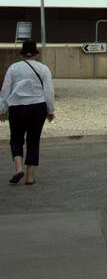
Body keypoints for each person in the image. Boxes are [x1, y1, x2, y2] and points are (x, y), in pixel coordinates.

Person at [0, 40, 56, 186]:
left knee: (16, 139)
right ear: (36, 54)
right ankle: (30, 177)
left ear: (22, 54)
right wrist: (50, 110)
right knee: (33, 141)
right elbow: (48, 91)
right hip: (37, 107)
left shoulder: (13, 68)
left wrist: (2, 109)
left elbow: (6, 90)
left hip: (17, 108)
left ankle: (18, 169)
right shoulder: (43, 69)